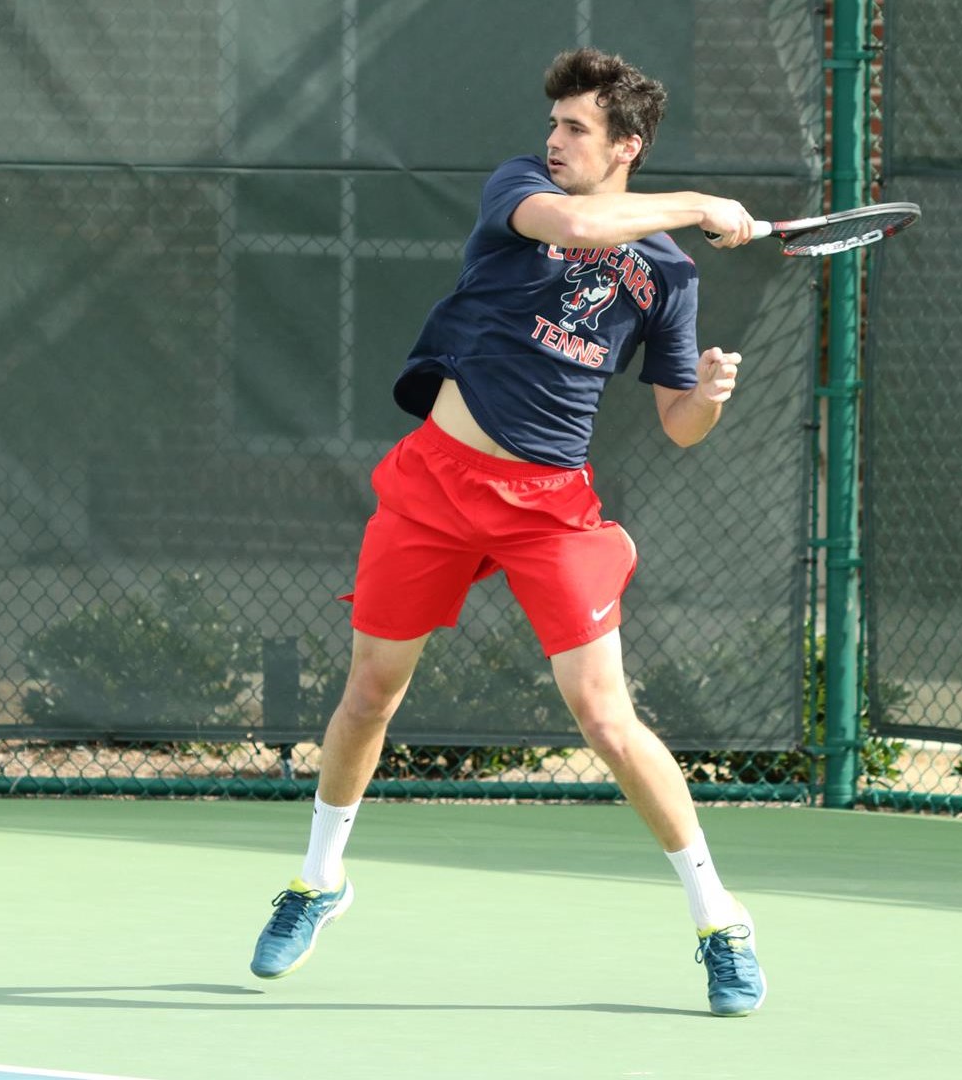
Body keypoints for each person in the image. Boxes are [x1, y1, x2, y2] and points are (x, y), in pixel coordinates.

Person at [249, 46, 767, 1017]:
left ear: (626, 145)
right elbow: (575, 224)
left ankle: (720, 919)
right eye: (556, 123)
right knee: (369, 690)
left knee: (605, 716)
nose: (555, 139)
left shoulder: (667, 277)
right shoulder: (524, 191)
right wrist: (700, 199)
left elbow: (679, 427)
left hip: (553, 511)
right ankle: (318, 883)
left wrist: (707, 397)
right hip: (436, 487)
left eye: (577, 127)